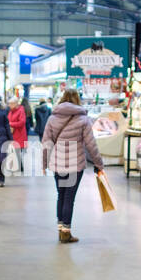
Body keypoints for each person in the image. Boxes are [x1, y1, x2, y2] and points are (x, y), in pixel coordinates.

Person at [42, 88, 106, 243]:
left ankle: (61, 229)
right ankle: (66, 232)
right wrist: (99, 164)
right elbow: (91, 145)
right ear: (77, 100)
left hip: (58, 164)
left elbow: (46, 143)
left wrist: (44, 163)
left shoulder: (52, 118)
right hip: (74, 164)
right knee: (69, 198)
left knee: (61, 196)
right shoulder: (83, 120)